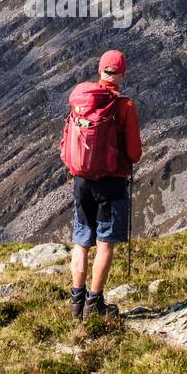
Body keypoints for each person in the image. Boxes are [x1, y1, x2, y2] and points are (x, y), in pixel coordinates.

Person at [62, 50, 142, 321]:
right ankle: (94, 303)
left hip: (82, 180)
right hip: (111, 182)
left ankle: (76, 301)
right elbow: (134, 153)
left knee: (82, 241)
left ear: (100, 71)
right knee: (105, 243)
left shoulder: (82, 101)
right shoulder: (125, 106)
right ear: (123, 74)